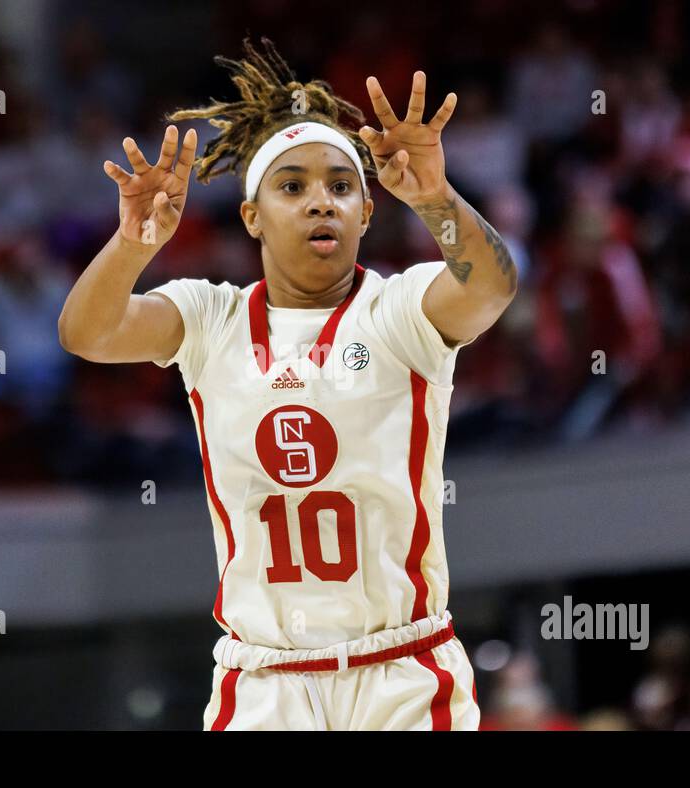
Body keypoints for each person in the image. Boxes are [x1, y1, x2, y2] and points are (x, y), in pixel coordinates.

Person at [58, 37, 518, 729]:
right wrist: (134, 245)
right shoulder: (209, 316)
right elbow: (88, 333)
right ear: (252, 217)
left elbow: (489, 287)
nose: (320, 203)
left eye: (341, 186)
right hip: (264, 680)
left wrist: (436, 197)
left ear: (367, 213)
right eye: (292, 186)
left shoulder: (398, 309)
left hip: (401, 673)